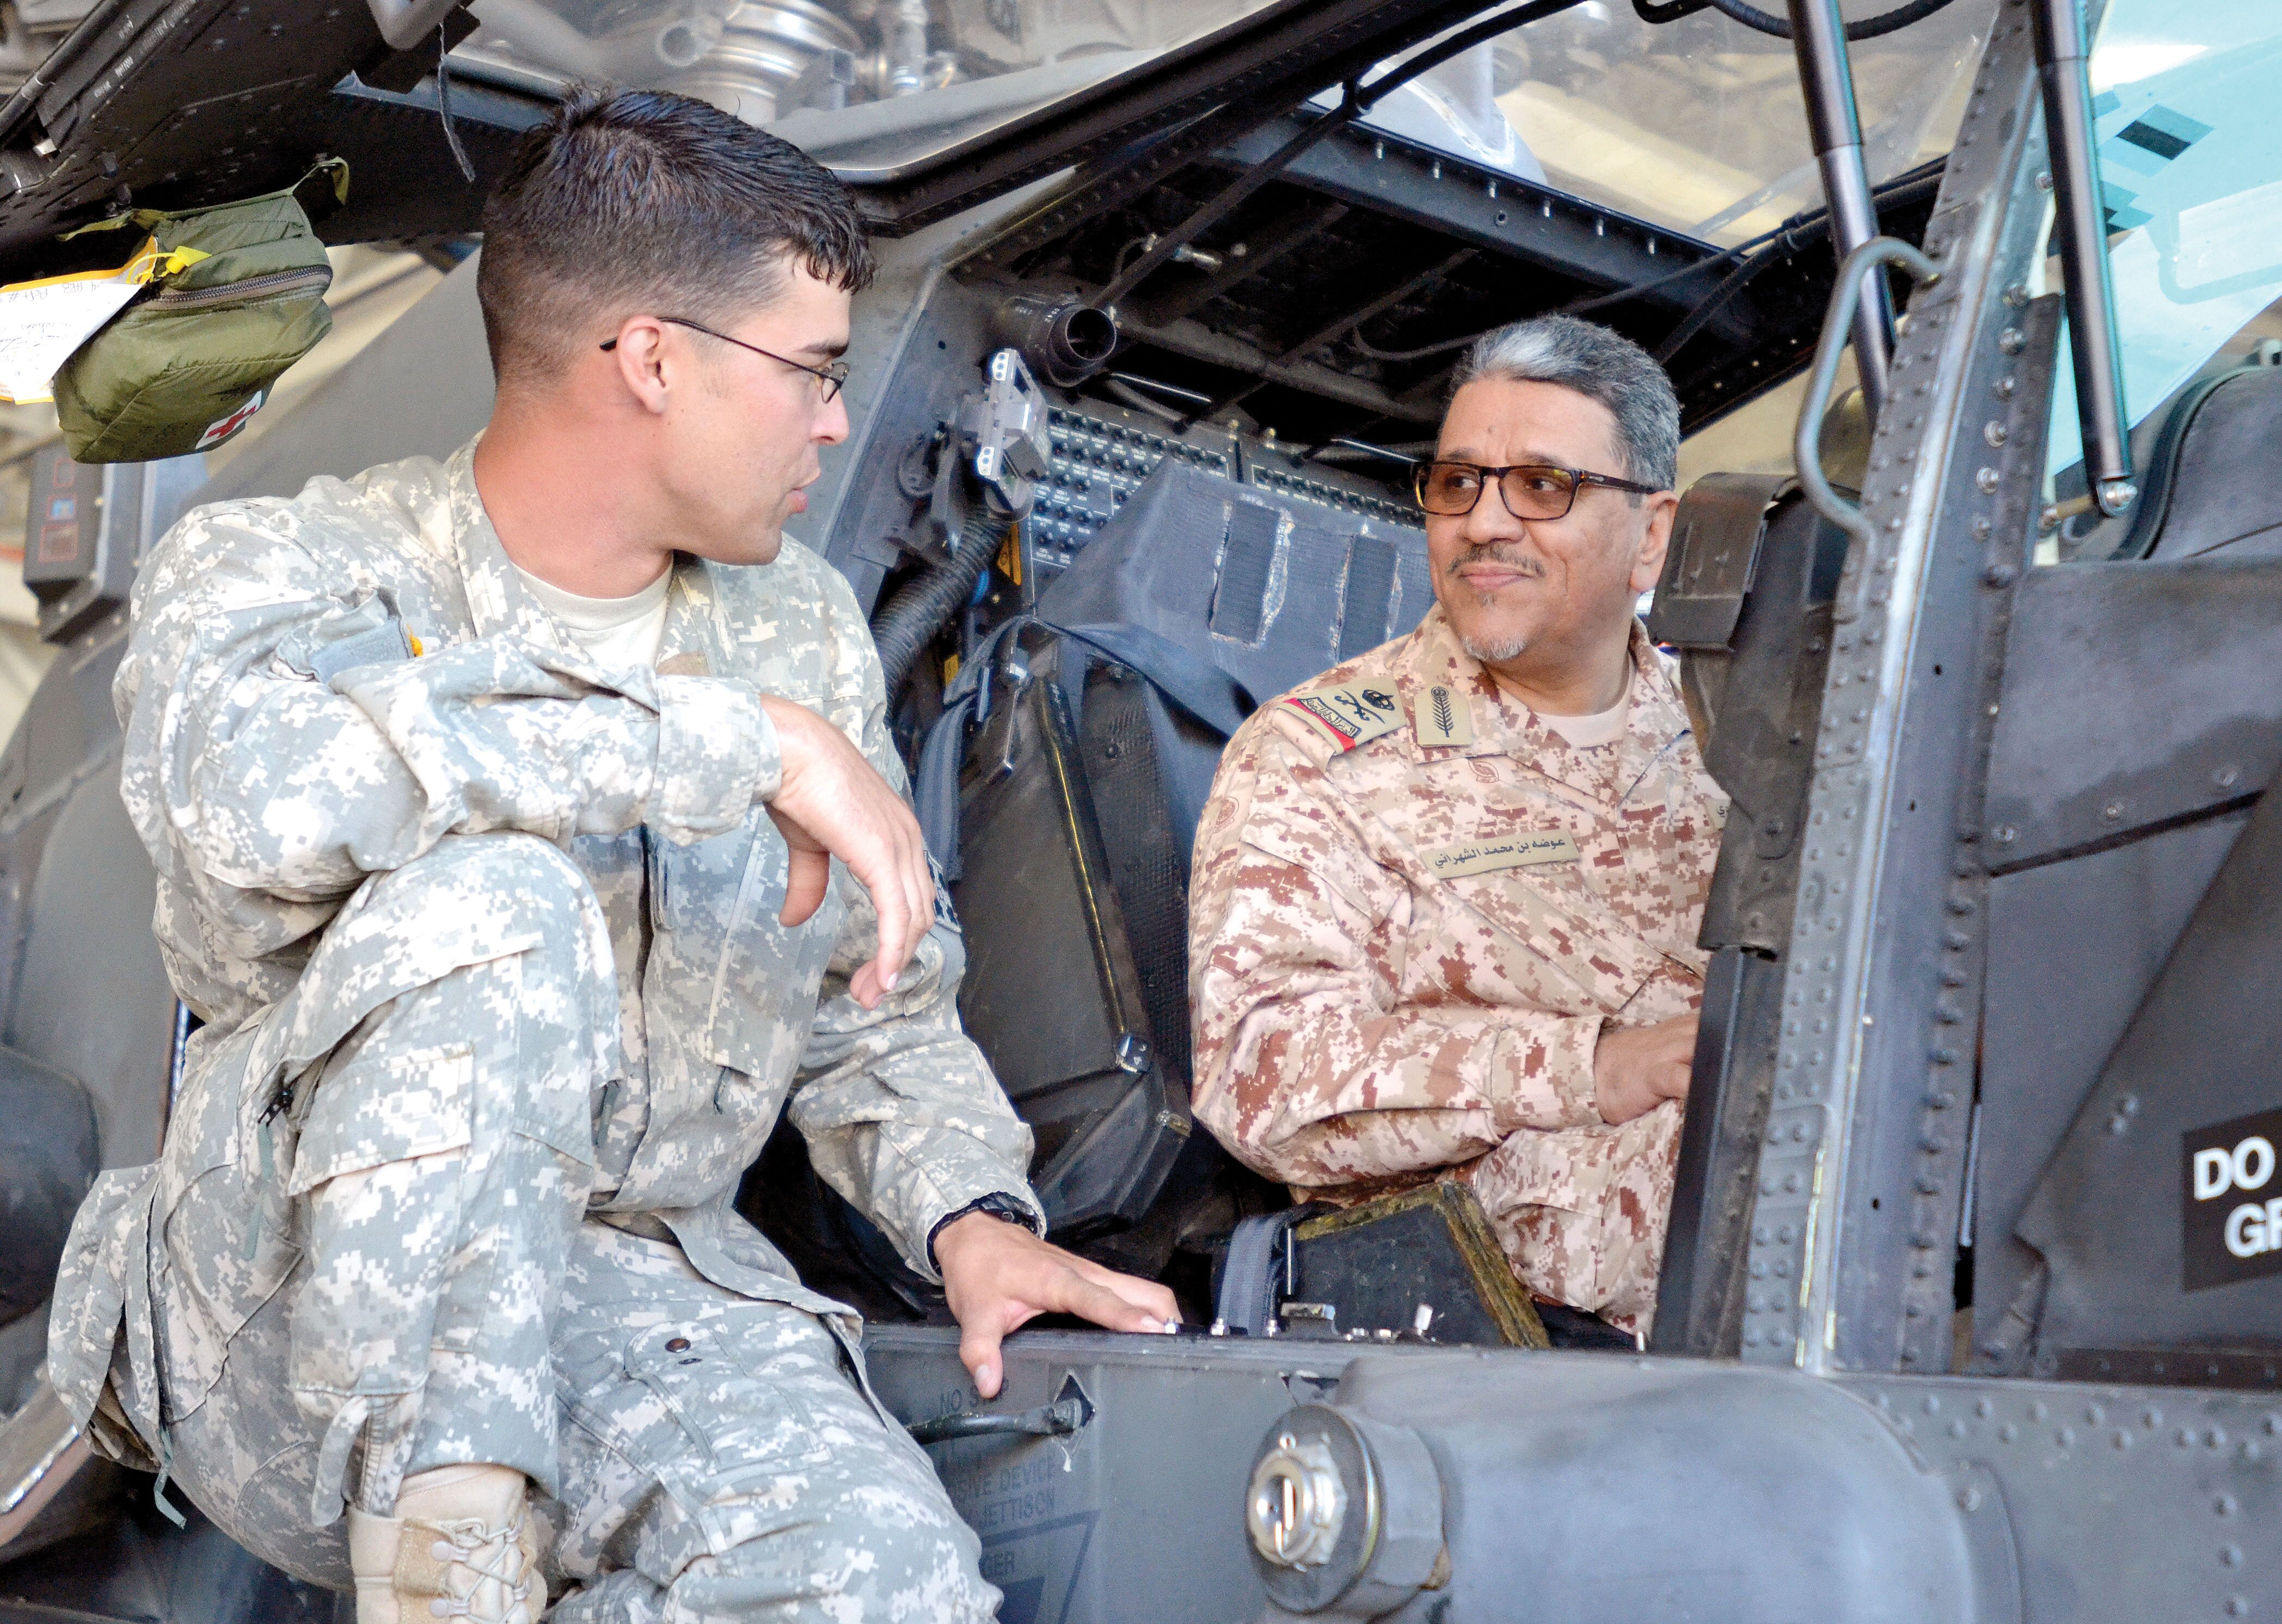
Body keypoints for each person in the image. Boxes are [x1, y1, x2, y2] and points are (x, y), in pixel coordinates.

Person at [46, 89, 1176, 1624]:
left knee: (883, 1590)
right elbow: (262, 805)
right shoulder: (295, 566)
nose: (834, 422)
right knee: (497, 906)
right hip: (293, 1297)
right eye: (809, 376)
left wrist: (967, 1212)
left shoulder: (798, 631)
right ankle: (444, 1578)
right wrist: (734, 746)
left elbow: (872, 996)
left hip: (638, 1292)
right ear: (652, 359)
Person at [1187, 314, 1725, 1339]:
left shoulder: (1743, 748)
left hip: (1795, 1321)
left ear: (1652, 535)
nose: (1486, 522)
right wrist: (1597, 1068)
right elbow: (1264, 1077)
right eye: (1457, 483)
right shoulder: (1320, 758)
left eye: (1541, 486)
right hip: (1509, 1355)